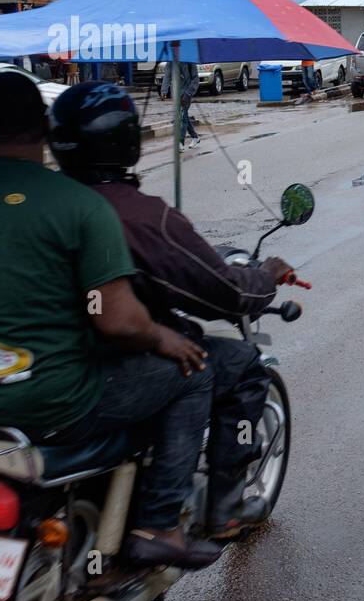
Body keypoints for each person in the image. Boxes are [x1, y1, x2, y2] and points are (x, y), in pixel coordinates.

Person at [0, 72, 220, 569]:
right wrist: (161, 336)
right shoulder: (80, 206)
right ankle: (157, 524)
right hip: (52, 404)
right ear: (44, 130)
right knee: (194, 375)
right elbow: (118, 321)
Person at [49, 81, 292, 538]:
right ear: (126, 141)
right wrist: (267, 277)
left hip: (34, 370)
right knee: (231, 364)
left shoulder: (40, 204)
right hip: (103, 370)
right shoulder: (139, 216)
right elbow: (223, 293)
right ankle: (208, 513)